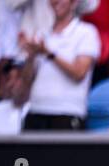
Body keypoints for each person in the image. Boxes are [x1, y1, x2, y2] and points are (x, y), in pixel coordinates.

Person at [17, 0, 99, 131]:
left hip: (67, 113)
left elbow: (79, 72)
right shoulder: (41, 35)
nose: (56, 1)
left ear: (74, 2)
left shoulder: (86, 32)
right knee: (24, 152)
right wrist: (31, 56)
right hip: (36, 111)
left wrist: (48, 53)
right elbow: (27, 81)